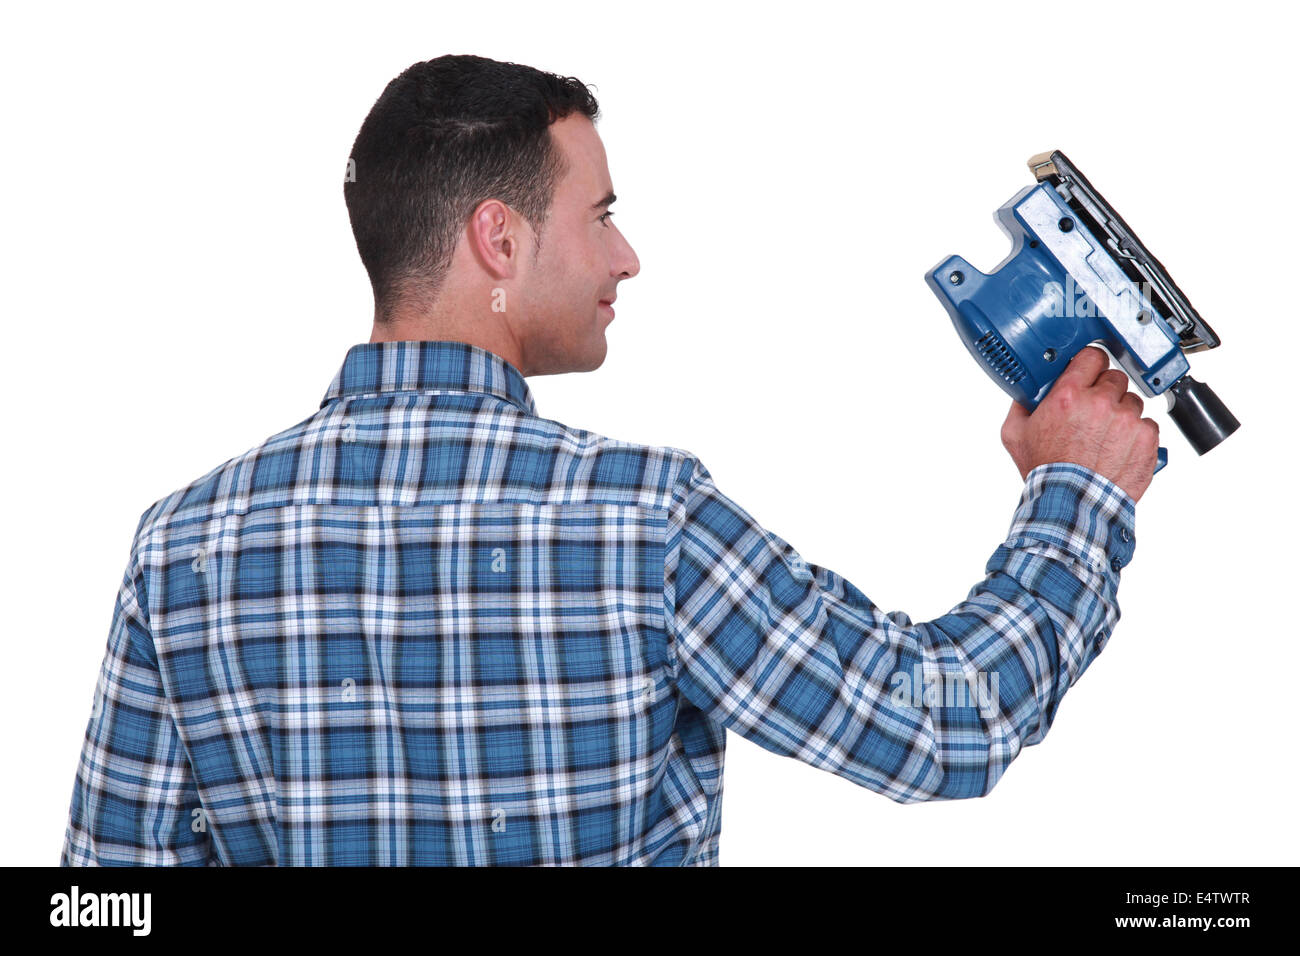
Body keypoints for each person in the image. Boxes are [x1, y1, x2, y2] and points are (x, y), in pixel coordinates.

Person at [60, 54, 1159, 867]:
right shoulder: (642, 521)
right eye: (601, 213)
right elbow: (939, 721)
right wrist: (1076, 496)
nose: (627, 256)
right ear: (499, 238)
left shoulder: (185, 544)